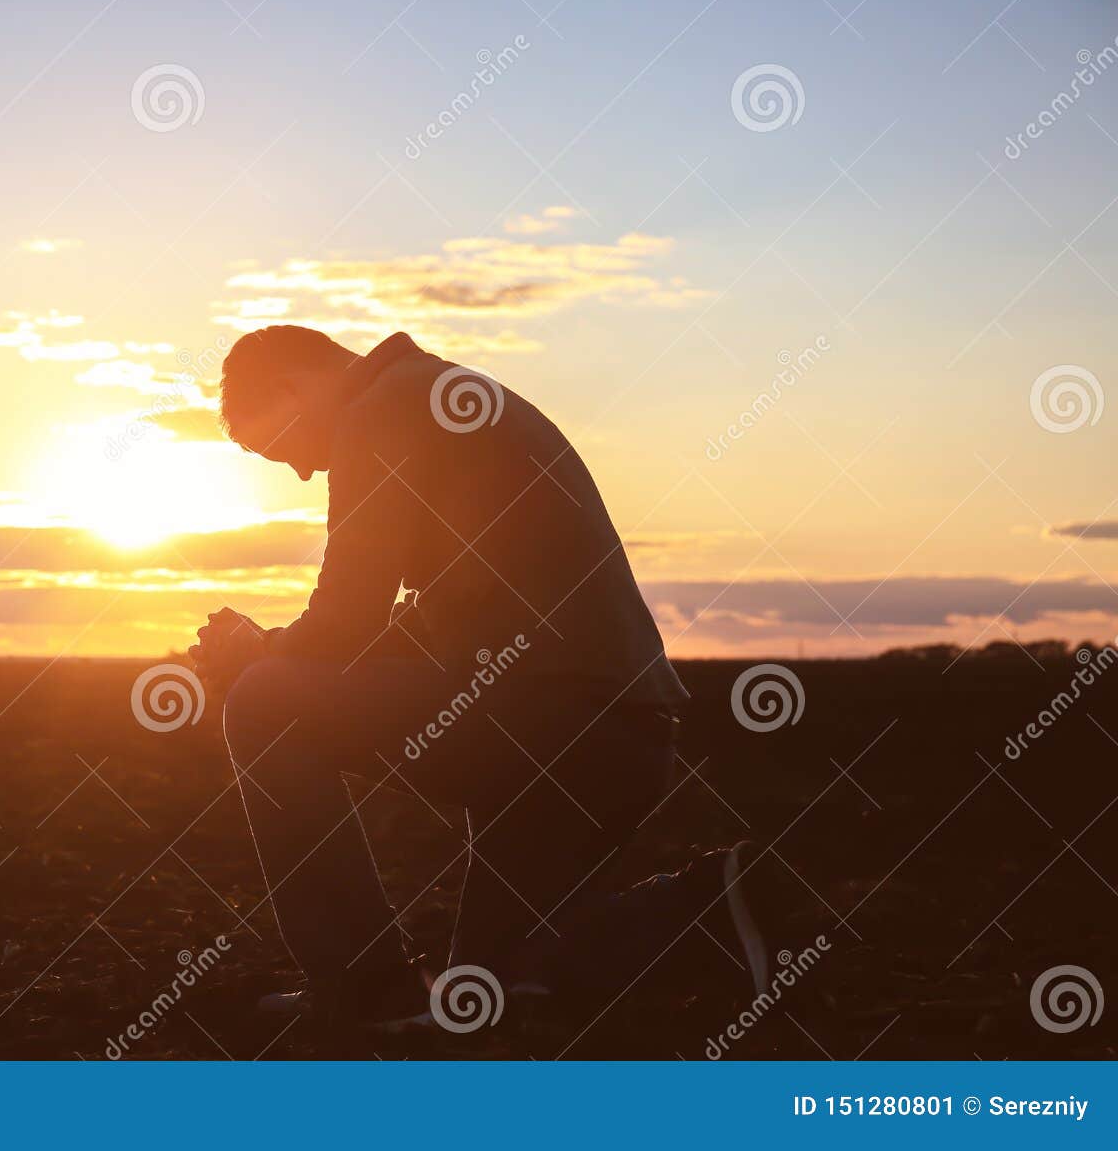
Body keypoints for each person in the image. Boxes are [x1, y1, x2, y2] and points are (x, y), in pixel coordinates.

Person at [190, 326, 793, 1030]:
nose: (299, 471)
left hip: (554, 725)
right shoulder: (437, 400)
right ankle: (714, 903)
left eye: (279, 444)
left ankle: (364, 989)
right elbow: (403, 635)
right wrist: (277, 647)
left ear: (293, 387)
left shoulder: (380, 408)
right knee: (484, 992)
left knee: (264, 703)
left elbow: (347, 622)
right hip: (618, 738)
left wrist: (261, 654)